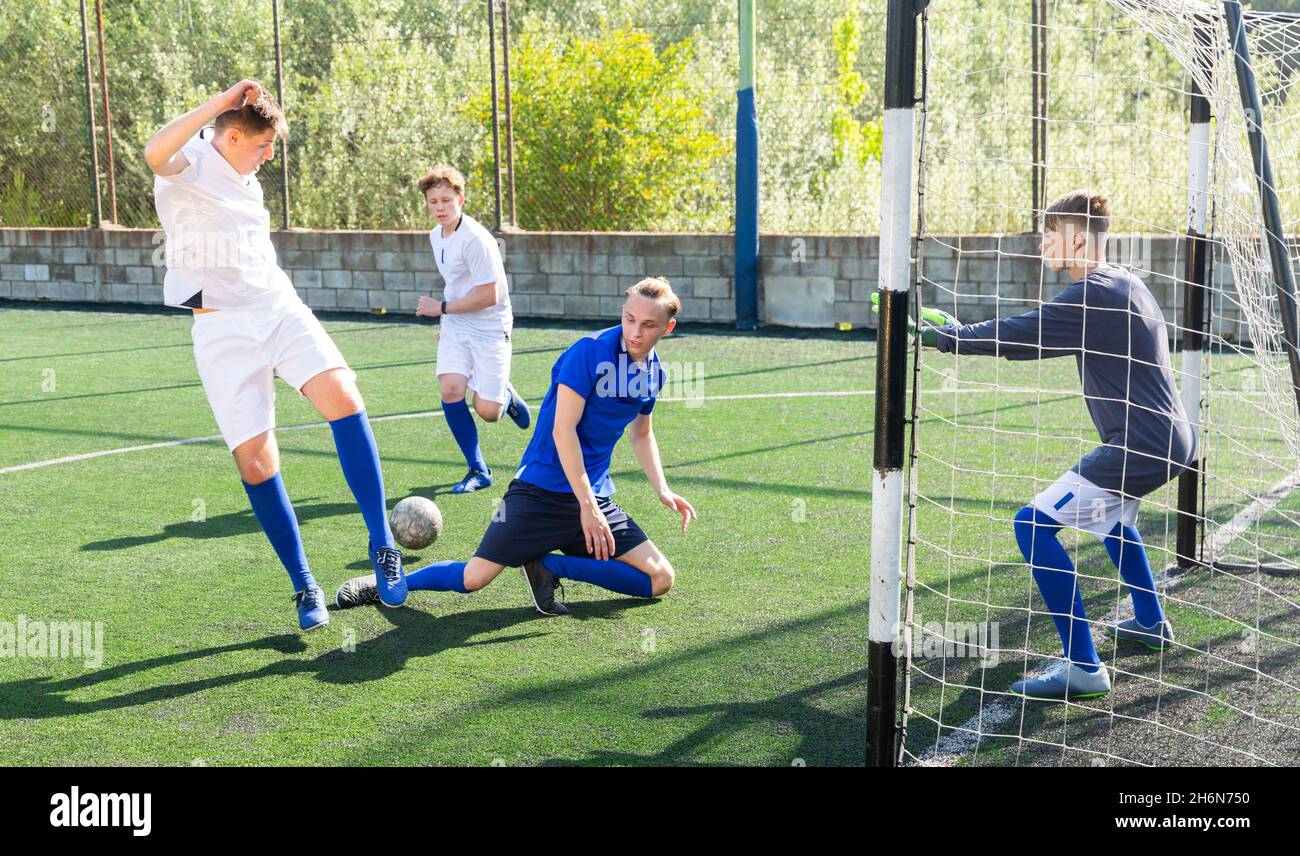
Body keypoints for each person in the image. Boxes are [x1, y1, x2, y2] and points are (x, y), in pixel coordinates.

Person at [878, 189, 1196, 700]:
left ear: (1076, 237)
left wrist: (948, 337)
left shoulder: (1095, 292)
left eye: (1049, 238)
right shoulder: (1126, 282)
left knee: (1032, 525)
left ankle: (1084, 667)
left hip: (1141, 442)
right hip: (1168, 437)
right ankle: (1150, 622)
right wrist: (958, 331)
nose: (1044, 248)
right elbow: (1038, 336)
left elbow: (1025, 333)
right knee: (1111, 520)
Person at [145, 80, 408, 631]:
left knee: (344, 397)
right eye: (264, 146)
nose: (269, 158)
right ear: (234, 135)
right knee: (257, 463)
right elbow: (153, 152)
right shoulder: (190, 161)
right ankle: (303, 583)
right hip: (220, 330)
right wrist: (221, 101)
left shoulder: (247, 177)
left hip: (278, 307)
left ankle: (383, 544)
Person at [336, 277, 697, 615]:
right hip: (541, 491)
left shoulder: (655, 374)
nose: (634, 331)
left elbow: (642, 434)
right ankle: (387, 581)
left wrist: (662, 489)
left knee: (660, 579)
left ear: (667, 328)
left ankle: (549, 565)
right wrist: (588, 507)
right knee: (472, 579)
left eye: (648, 325)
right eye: (629, 318)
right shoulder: (588, 353)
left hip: (593, 499)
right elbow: (563, 431)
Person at [414, 165, 530, 494]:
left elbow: (488, 295)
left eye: (446, 200)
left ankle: (503, 395)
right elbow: (456, 284)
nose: (439, 207)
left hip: (490, 326)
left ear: (460, 199)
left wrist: (440, 308)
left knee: (488, 412)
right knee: (450, 390)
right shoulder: (435, 236)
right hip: (455, 322)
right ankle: (478, 469)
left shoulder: (477, 240)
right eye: (433, 201)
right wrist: (447, 321)